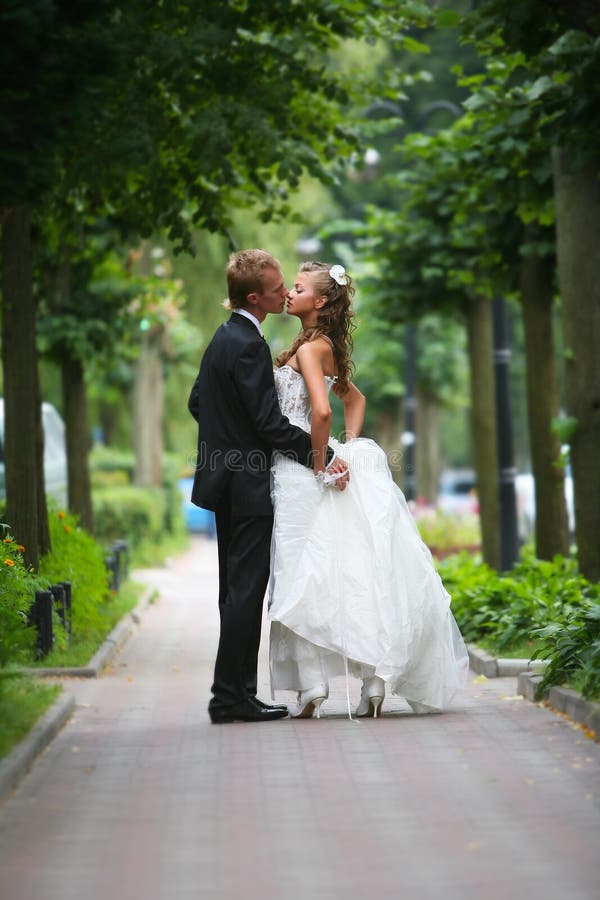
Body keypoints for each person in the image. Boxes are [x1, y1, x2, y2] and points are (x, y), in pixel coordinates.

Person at [268, 261, 469, 718]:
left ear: (319, 301)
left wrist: (321, 463)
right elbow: (354, 399)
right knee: (347, 572)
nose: (288, 293)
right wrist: (351, 446)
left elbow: (322, 412)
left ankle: (312, 687)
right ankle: (373, 683)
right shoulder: (325, 346)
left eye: (297, 288)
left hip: (299, 469)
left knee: (299, 577)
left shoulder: (307, 350)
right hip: (320, 464)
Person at [188, 249, 348, 724]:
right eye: (279, 288)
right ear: (255, 297)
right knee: (245, 592)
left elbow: (200, 402)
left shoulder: (225, 337)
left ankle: (238, 692)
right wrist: (326, 456)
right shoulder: (248, 344)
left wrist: (227, 442)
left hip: (225, 478)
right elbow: (267, 422)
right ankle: (228, 698)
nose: (285, 293)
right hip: (247, 485)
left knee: (236, 592)